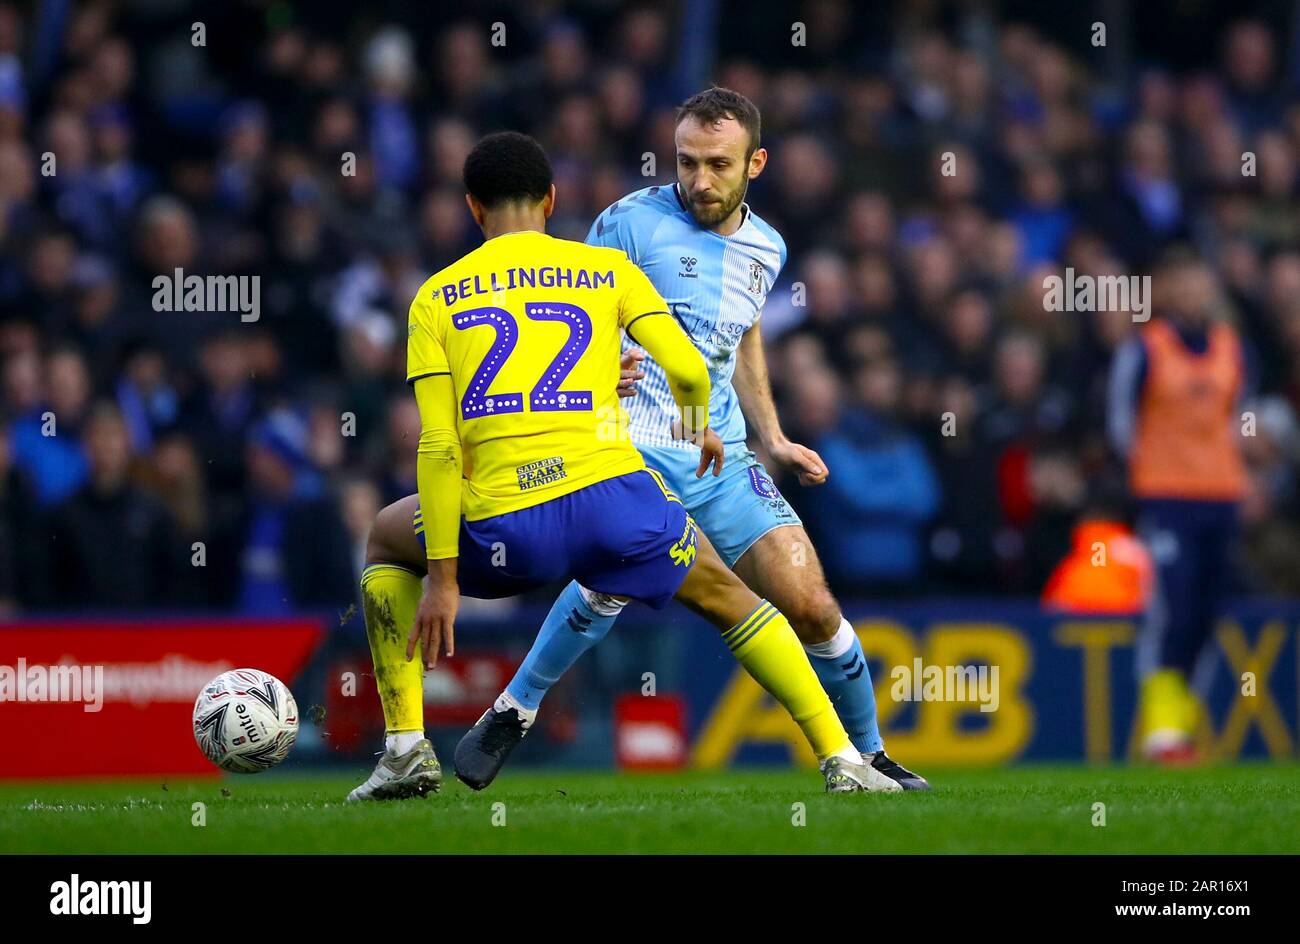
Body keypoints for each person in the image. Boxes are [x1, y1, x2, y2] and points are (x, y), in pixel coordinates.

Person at [350, 131, 899, 800]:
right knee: (732, 600)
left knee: (383, 534)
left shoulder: (435, 297)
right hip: (613, 504)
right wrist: (699, 425)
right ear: (551, 200)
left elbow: (436, 447)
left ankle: (406, 748)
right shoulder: (602, 272)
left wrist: (442, 579)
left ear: (472, 208)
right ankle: (843, 759)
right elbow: (690, 370)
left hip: (510, 531)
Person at [1108, 248, 1248, 762]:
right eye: (1181, 282)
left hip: (1221, 495)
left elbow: (1235, 418)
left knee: (1208, 613)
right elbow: (1121, 423)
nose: (1192, 291)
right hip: (1166, 498)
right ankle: (1164, 730)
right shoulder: (1146, 349)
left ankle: (1180, 724)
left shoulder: (1232, 348)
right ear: (1166, 290)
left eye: (1199, 281)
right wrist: (1145, 475)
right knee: (1172, 609)